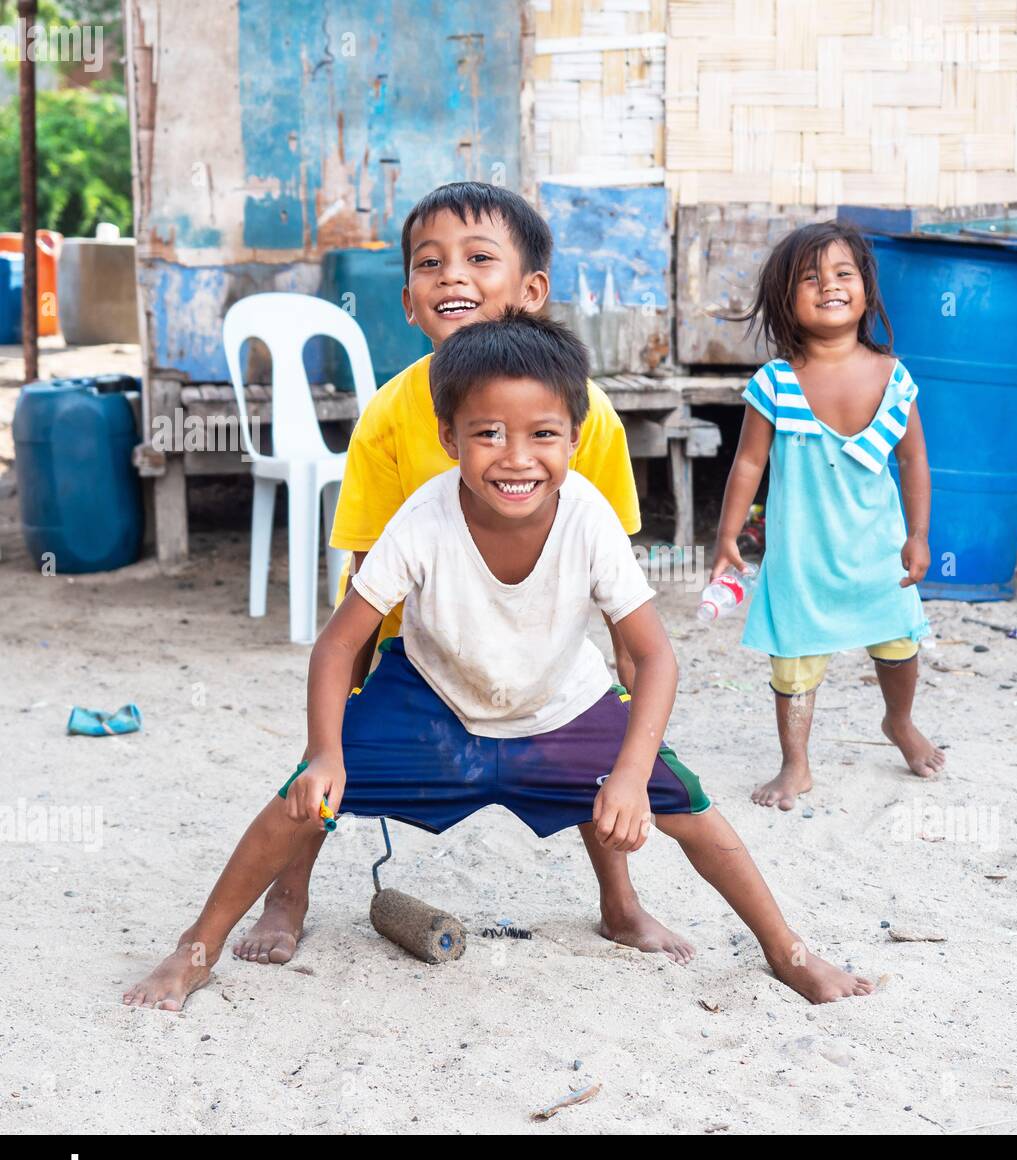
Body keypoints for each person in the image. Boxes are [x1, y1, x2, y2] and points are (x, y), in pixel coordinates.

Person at [123, 314, 876, 1011]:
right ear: (451, 439)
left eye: (543, 433)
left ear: (576, 437)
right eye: (488, 434)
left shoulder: (588, 518)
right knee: (300, 799)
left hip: (561, 703)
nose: (517, 458)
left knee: (699, 817)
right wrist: (325, 754)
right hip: (431, 700)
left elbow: (654, 655)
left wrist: (628, 774)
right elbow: (339, 642)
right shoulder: (422, 519)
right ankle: (197, 950)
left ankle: (787, 950)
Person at [235, 182, 692, 968]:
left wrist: (626, 694)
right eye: (429, 263)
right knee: (328, 758)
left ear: (531, 292)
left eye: (480, 258)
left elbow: (607, 566)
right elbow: (364, 565)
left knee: (588, 733)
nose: (452, 275)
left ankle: (619, 903)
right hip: (424, 636)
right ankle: (289, 893)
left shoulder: (589, 414)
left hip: (547, 633)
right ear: (409, 299)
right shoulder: (389, 413)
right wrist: (352, 685)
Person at [711, 220, 945, 811]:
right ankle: (796, 764)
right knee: (793, 666)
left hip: (879, 553)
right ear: (785, 299)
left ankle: (899, 722)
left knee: (899, 646)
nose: (828, 286)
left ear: (865, 287)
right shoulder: (776, 382)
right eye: (809, 279)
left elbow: (915, 460)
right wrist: (727, 535)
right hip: (801, 560)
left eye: (844, 273)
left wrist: (919, 536)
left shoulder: (894, 376)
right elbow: (746, 466)